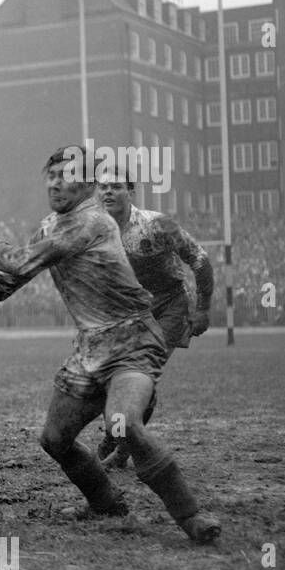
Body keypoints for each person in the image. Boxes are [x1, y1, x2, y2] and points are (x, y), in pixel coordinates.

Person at [0, 145, 220, 544]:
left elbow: (17, 261)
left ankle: (192, 517)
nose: (55, 183)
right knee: (54, 439)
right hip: (90, 349)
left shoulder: (95, 221)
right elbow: (13, 278)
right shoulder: (51, 227)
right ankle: (105, 502)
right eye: (50, 177)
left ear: (87, 184)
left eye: (66, 176)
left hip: (133, 338)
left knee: (126, 424)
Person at [95, 178, 214, 468]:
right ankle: (120, 437)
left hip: (169, 305)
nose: (108, 191)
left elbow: (199, 259)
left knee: (141, 376)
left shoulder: (157, 224)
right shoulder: (96, 230)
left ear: (131, 192)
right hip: (131, 311)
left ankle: (120, 445)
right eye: (103, 187)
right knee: (112, 378)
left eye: (116, 186)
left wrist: (203, 309)